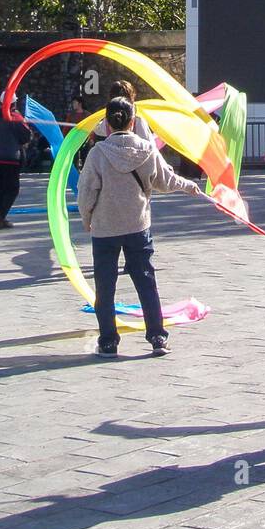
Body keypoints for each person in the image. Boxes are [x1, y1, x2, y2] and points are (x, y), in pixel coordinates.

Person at [77, 96, 200, 357]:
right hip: (137, 225)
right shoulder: (146, 149)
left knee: (105, 286)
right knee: (146, 282)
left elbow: (86, 191)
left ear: (106, 125)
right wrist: (189, 186)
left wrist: (87, 220)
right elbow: (165, 180)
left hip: (105, 228)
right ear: (133, 122)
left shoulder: (97, 154)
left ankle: (108, 341)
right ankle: (157, 337)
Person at [0, 92, 32, 229]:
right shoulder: (15, 117)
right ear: (14, 103)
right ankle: (0, 216)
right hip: (9, 158)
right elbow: (25, 136)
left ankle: (0, 217)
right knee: (12, 189)